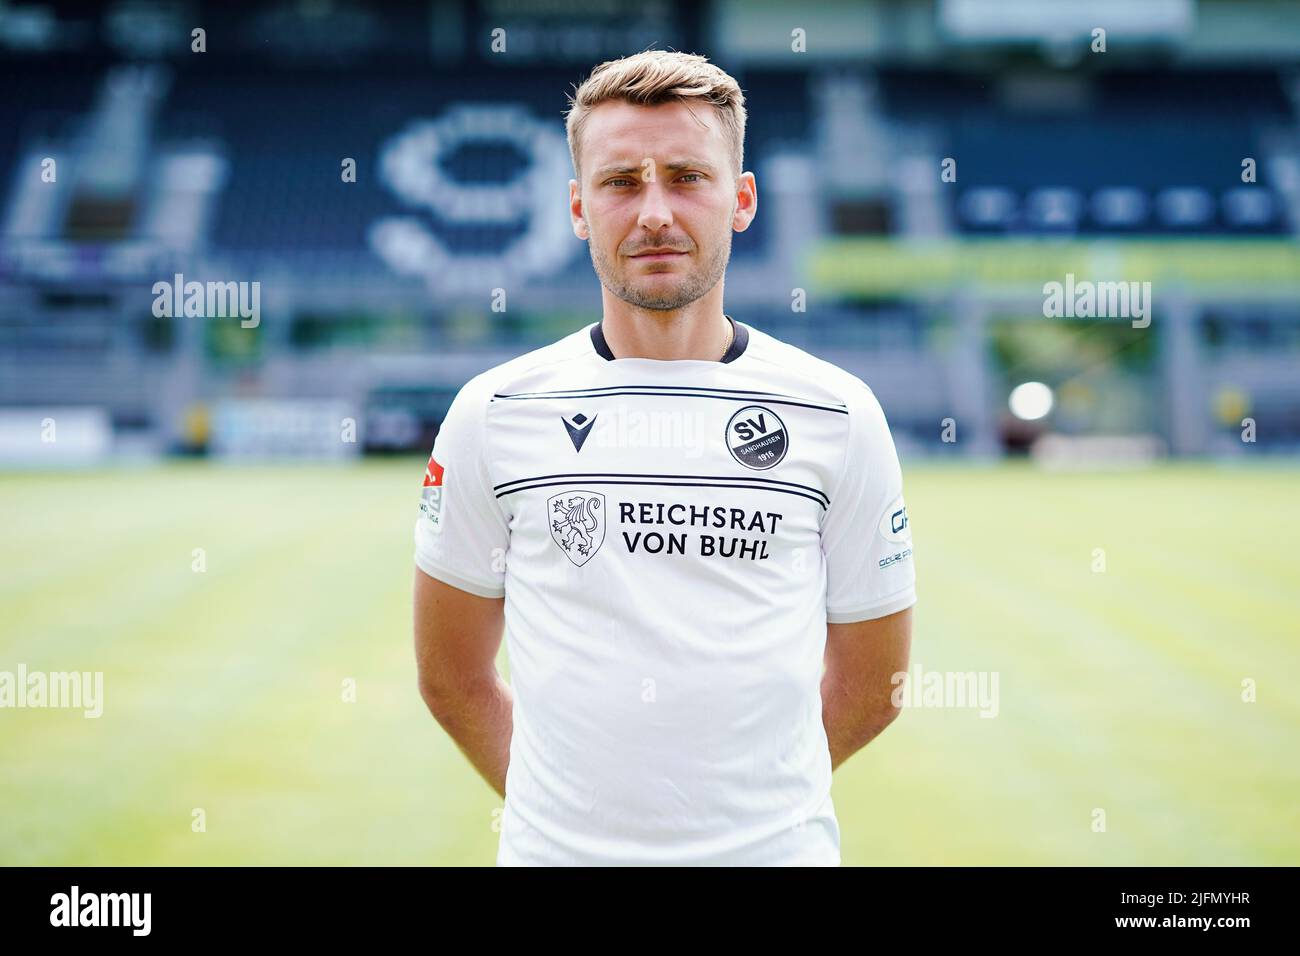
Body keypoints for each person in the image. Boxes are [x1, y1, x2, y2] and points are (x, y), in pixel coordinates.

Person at [413, 50, 915, 866]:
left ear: (741, 200)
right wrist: (568, 825)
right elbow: (451, 677)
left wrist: (749, 823)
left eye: (686, 176)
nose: (654, 212)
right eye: (620, 183)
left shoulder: (838, 412)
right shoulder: (494, 412)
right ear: (578, 207)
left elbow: (876, 685)